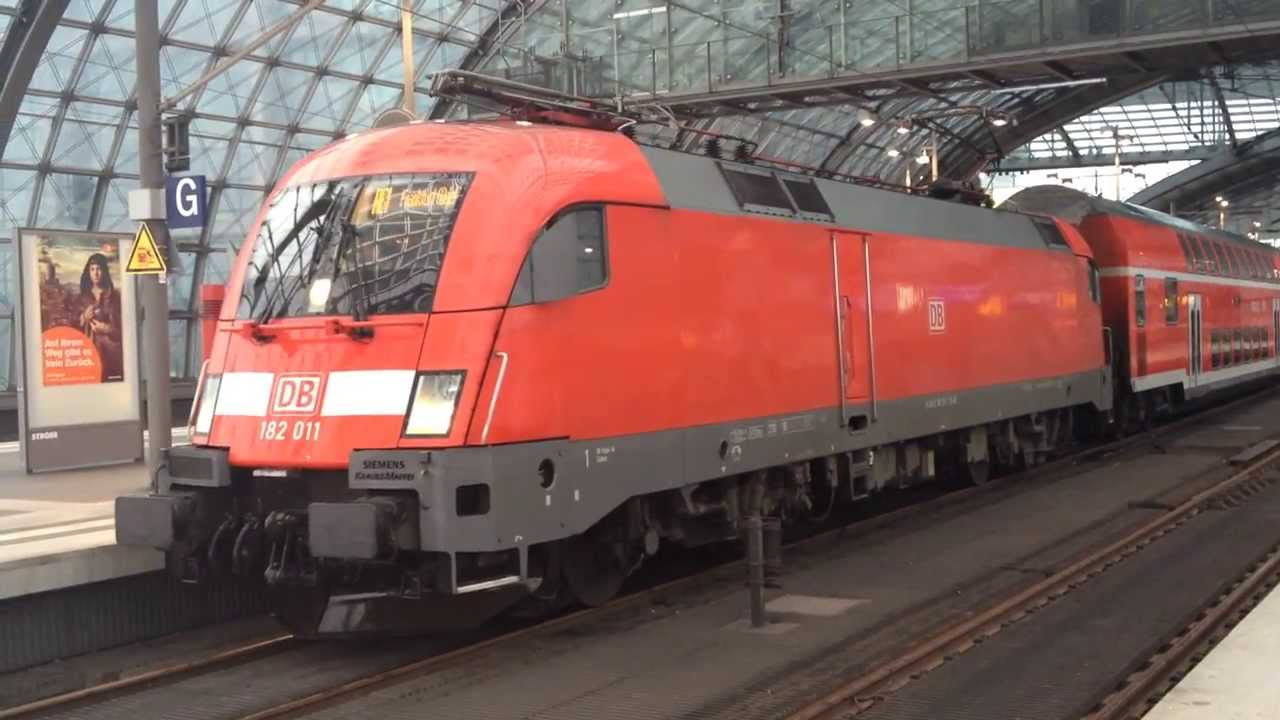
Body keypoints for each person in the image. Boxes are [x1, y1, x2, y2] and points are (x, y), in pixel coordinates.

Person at [77, 253, 123, 382]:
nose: (96, 273)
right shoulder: (83, 297)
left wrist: (106, 329)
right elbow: (73, 326)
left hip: (111, 356)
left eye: (99, 269)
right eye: (92, 269)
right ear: (88, 272)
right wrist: (84, 317)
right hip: (88, 355)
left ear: (104, 271)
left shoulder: (115, 296)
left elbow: (124, 331)